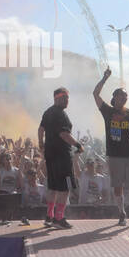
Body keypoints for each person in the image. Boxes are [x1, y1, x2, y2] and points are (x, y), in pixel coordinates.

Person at [92, 68, 129, 226]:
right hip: (114, 155)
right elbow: (95, 94)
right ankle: (122, 213)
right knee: (117, 186)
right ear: (114, 97)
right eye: (121, 95)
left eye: (126, 96)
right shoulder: (107, 111)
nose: (124, 98)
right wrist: (104, 78)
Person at [39, 86, 83, 229]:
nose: (67, 100)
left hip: (50, 155)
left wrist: (41, 145)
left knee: (53, 187)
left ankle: (49, 216)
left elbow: (40, 129)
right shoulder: (61, 115)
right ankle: (59, 218)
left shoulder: (47, 112)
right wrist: (77, 144)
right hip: (62, 156)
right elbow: (64, 135)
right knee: (65, 188)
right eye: (65, 98)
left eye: (68, 98)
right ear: (57, 98)